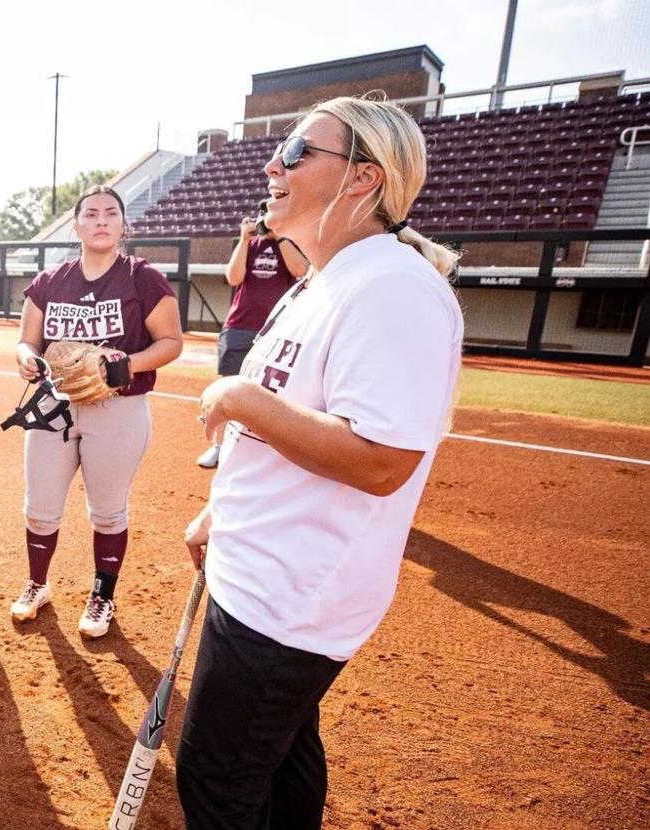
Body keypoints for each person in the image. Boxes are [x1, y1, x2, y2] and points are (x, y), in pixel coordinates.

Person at [176, 95, 463, 830]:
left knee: (217, 783)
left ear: (364, 177)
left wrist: (238, 397)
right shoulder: (327, 279)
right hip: (265, 570)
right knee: (279, 760)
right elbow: (296, 419)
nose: (274, 165)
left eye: (298, 152)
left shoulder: (392, 287)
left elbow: (382, 459)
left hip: (291, 595)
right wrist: (222, 511)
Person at [11, 186, 183, 637]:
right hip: (54, 405)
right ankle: (37, 584)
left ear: (124, 224)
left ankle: (102, 595)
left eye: (110, 213)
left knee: (107, 511)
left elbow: (171, 342)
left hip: (117, 406)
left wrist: (127, 365)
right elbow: (28, 340)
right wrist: (27, 358)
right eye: (90, 213)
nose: (101, 220)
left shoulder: (142, 277)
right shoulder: (51, 281)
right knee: (39, 507)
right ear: (77, 225)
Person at [196, 214, 308, 468]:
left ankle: (260, 452)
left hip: (277, 329)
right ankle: (219, 447)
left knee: (271, 394)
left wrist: (280, 237)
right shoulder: (249, 245)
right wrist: (244, 240)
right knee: (228, 386)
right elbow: (233, 278)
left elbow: (300, 271)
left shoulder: (290, 243)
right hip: (239, 324)